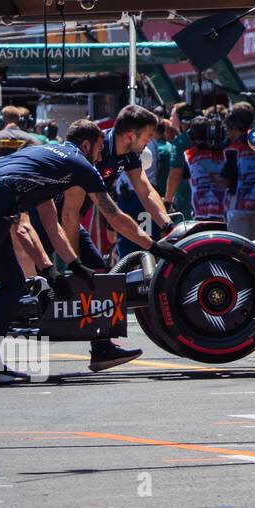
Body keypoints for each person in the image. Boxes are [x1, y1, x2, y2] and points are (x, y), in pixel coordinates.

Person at [0, 120, 184, 384]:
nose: (100, 154)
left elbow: (51, 223)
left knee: (12, 282)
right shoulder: (81, 166)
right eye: (98, 149)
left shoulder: (45, 157)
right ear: (86, 144)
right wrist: (153, 246)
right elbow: (114, 216)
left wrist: (65, 267)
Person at [54, 105, 173, 371]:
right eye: (147, 136)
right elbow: (70, 213)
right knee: (22, 286)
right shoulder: (93, 151)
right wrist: (71, 263)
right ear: (130, 135)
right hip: (52, 221)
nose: (150, 142)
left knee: (100, 277)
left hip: (68, 221)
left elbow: (146, 190)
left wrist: (168, 226)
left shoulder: (129, 155)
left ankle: (102, 349)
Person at [222, 103, 255, 240]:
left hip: (239, 208)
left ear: (233, 126)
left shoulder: (234, 149)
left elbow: (225, 181)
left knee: (239, 246)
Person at [185, 107, 231, 222]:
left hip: (200, 214)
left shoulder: (188, 155)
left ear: (191, 135)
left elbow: (190, 181)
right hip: (223, 215)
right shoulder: (225, 153)